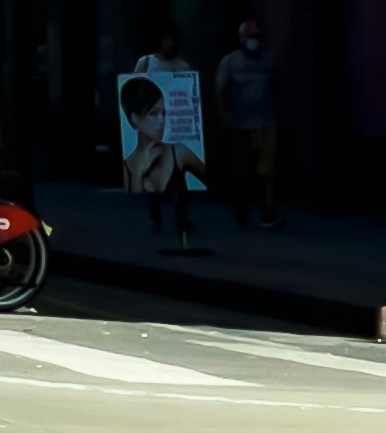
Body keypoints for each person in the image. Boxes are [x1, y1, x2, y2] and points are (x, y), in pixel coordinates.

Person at [120, 30, 206, 255]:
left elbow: (190, 92)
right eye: (167, 39)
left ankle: (181, 214)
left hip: (176, 121)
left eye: (174, 40)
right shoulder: (147, 62)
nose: (171, 44)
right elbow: (135, 86)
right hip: (156, 121)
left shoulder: (183, 66)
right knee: (150, 170)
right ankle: (156, 215)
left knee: (177, 169)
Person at [213, 18, 284, 227]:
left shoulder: (268, 60)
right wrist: (224, 114)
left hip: (265, 122)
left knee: (268, 169)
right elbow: (220, 89)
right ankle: (241, 208)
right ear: (242, 38)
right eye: (251, 36)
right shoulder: (230, 61)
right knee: (242, 170)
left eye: (257, 37)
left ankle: (269, 210)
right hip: (241, 124)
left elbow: (276, 85)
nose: (255, 40)